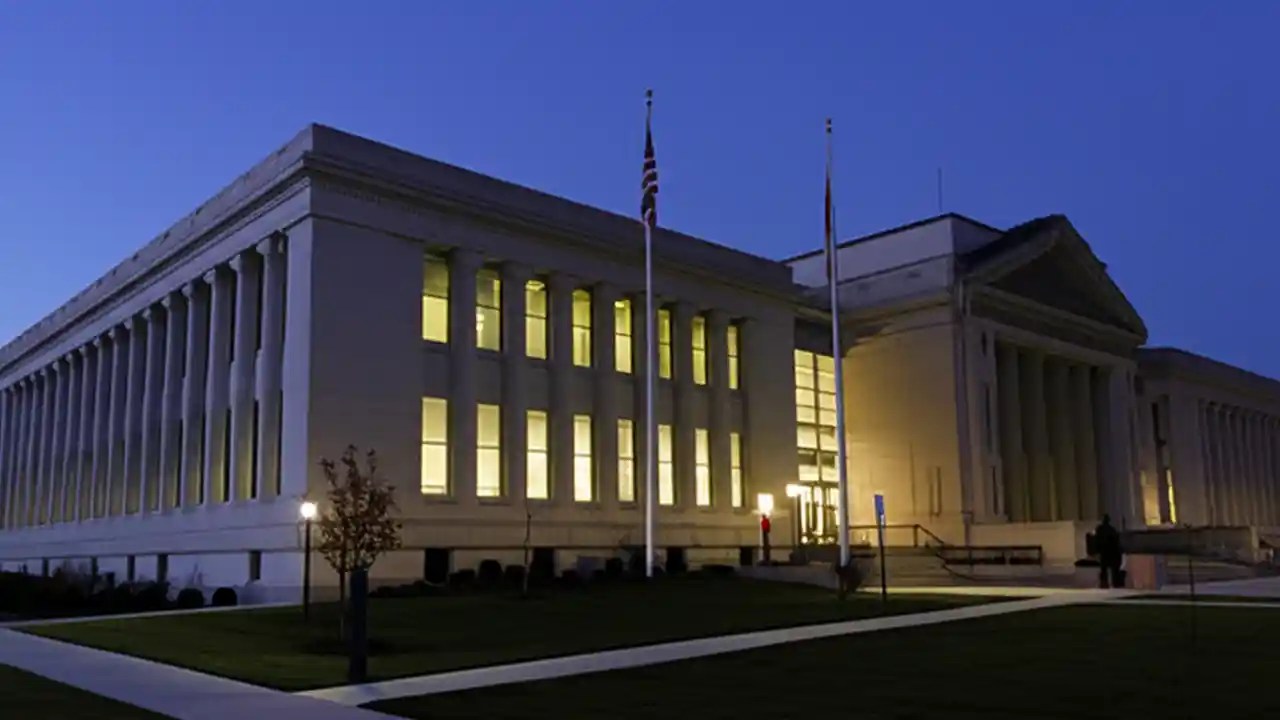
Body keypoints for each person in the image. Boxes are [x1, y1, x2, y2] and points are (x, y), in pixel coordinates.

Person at [1094, 514, 1124, 588]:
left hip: (1104, 552)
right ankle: (1115, 583)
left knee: (1104, 569)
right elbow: (1116, 541)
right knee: (1113, 569)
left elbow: (1097, 540)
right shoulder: (1112, 529)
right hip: (1111, 552)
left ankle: (1104, 583)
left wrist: (1097, 550)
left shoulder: (1100, 529)